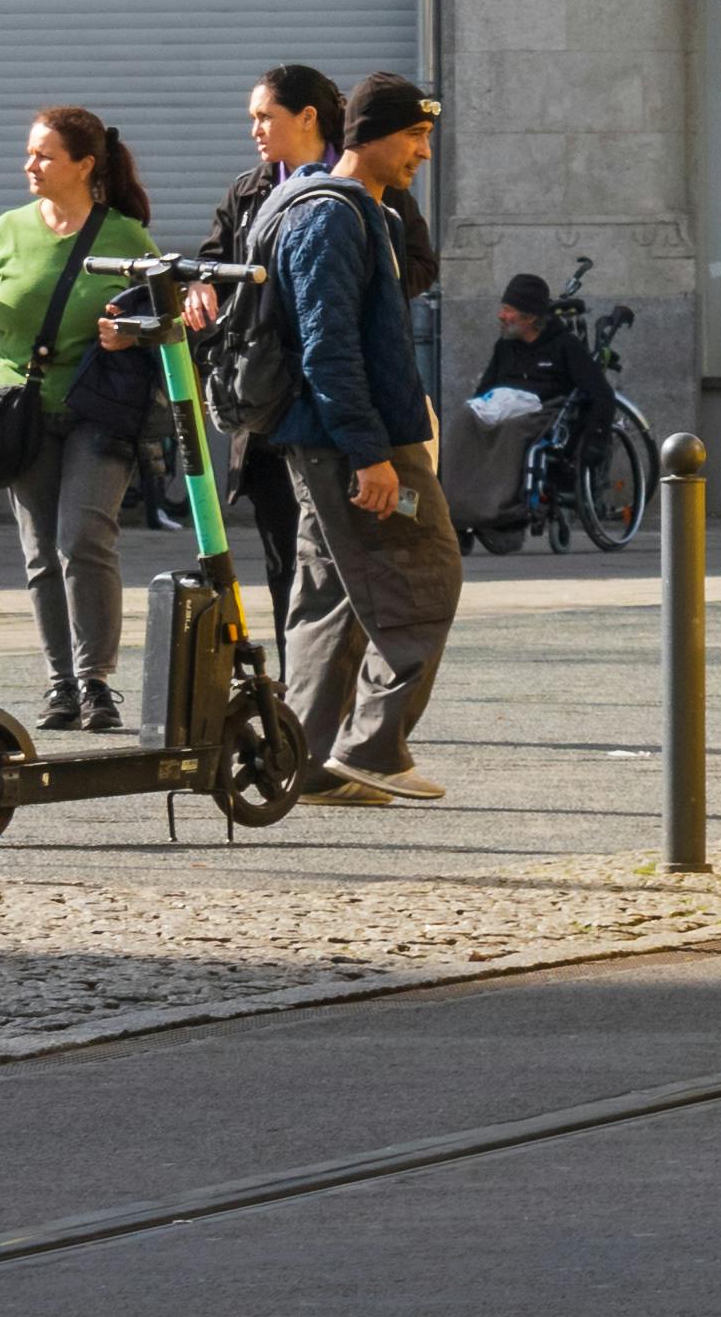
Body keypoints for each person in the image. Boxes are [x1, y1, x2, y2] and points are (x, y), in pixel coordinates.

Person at [0, 109, 157, 736]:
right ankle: (61, 683)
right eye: (30, 153)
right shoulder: (9, 229)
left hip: (97, 412)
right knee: (41, 553)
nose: (30, 165)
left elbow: (169, 320)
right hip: (21, 413)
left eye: (44, 156)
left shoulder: (127, 239)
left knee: (82, 539)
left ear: (84, 165)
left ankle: (97, 683)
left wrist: (127, 334)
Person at [276, 71, 461, 807]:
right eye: (414, 136)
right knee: (425, 578)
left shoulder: (353, 210)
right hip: (357, 443)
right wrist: (371, 455)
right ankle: (375, 746)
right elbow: (329, 350)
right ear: (369, 135)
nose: (423, 152)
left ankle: (310, 764)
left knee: (332, 599)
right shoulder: (333, 216)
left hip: (336, 441)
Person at [185, 62, 342, 649]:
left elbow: (416, 264)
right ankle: (294, 687)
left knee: (342, 557)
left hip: (333, 394)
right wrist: (202, 284)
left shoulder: (355, 183)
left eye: (264, 117)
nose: (254, 128)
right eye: (252, 118)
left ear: (306, 118)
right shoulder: (248, 190)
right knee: (284, 558)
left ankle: (340, 685)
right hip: (266, 400)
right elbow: (210, 261)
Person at [441, 270, 582, 543]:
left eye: (508, 310)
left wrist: (594, 440)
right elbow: (485, 389)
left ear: (529, 317)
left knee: (512, 432)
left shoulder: (565, 346)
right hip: (501, 407)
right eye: (502, 308)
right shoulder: (504, 348)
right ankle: (456, 509)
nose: (501, 316)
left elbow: (595, 393)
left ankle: (500, 512)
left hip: (543, 412)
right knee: (464, 421)